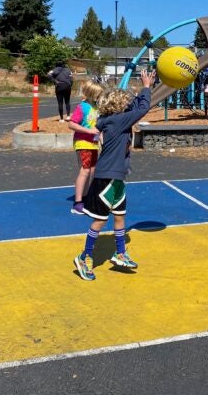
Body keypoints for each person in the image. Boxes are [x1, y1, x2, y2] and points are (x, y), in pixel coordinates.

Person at [73, 68, 155, 281]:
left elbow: (136, 107)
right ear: (120, 108)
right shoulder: (118, 122)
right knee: (100, 221)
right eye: (126, 103)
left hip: (117, 177)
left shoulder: (114, 119)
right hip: (106, 178)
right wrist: (146, 88)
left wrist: (139, 93)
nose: (130, 105)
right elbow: (142, 107)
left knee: (120, 218)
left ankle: (120, 253)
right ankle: (84, 257)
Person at [68, 79, 104, 215]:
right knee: (85, 170)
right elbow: (71, 124)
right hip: (83, 142)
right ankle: (78, 202)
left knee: (93, 170)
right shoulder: (82, 107)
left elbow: (97, 126)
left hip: (93, 143)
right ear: (91, 93)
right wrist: (89, 131)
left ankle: (86, 196)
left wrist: (101, 139)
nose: (99, 96)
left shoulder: (96, 107)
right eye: (98, 94)